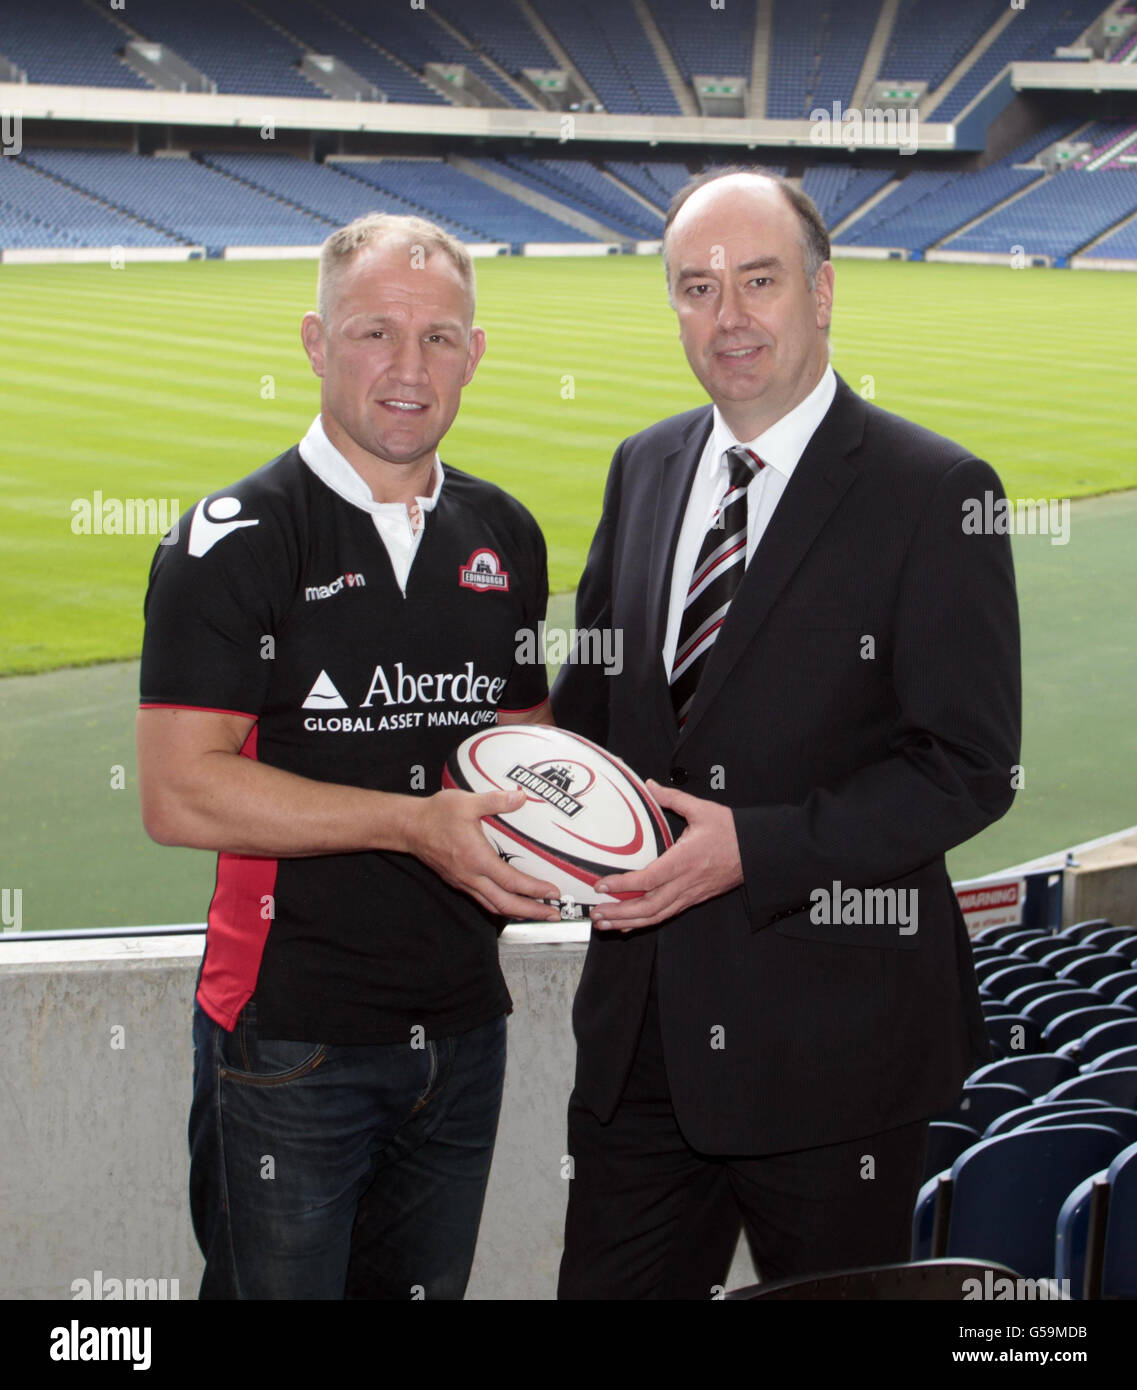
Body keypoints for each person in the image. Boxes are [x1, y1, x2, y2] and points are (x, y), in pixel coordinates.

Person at [551, 168, 1021, 1299]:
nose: (729, 317)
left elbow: (969, 767)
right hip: (645, 1045)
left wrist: (756, 847)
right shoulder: (645, 465)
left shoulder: (938, 487)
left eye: (757, 280)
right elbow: (594, 701)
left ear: (822, 292)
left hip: (837, 1059)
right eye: (696, 287)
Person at [136, 212, 560, 1301]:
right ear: (318, 342)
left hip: (465, 1030)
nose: (408, 368)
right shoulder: (231, 539)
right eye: (375, 333)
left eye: (439, 338)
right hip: (290, 1041)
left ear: (475, 353)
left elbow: (524, 755)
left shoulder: (504, 532)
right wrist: (412, 821)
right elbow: (180, 793)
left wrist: (588, 835)